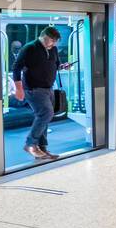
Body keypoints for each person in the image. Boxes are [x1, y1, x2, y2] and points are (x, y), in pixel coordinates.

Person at [11, 25, 72, 161]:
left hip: (48, 88)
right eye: (53, 41)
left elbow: (56, 65)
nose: (54, 44)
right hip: (33, 89)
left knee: (43, 116)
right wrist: (19, 89)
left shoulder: (53, 49)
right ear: (45, 37)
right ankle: (30, 144)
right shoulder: (30, 48)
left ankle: (42, 149)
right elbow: (16, 67)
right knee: (46, 113)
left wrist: (63, 66)